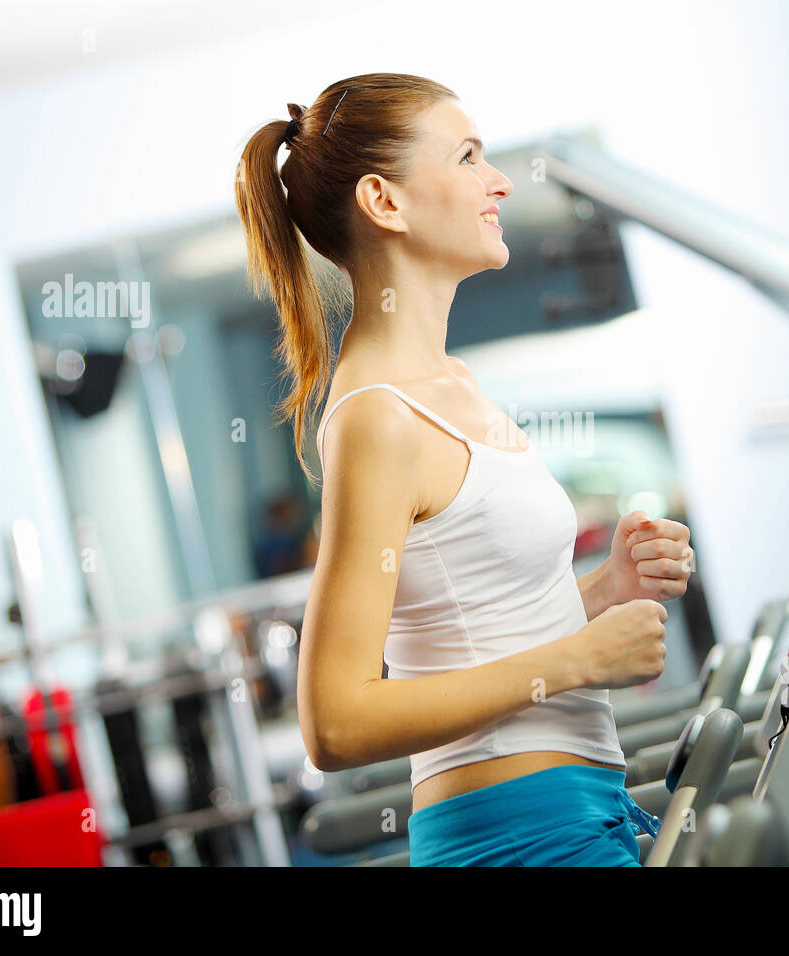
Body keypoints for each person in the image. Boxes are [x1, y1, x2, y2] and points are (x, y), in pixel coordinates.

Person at [234, 73, 695, 866]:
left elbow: (474, 634)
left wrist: (601, 592)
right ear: (386, 202)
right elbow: (334, 723)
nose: (500, 181)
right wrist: (576, 660)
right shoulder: (380, 416)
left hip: (583, 809)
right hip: (517, 836)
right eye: (469, 157)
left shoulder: (454, 386)